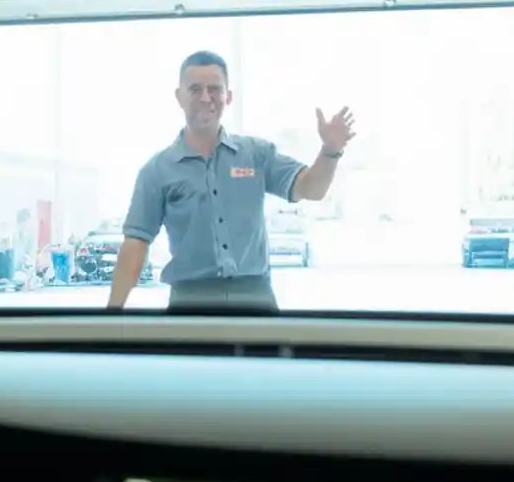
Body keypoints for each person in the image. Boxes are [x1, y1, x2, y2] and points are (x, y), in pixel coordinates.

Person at [106, 51, 356, 311]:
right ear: (179, 97)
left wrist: (330, 151)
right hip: (189, 303)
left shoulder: (256, 154)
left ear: (228, 96)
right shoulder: (156, 171)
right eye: (195, 89)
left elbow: (311, 189)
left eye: (214, 89)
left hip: (255, 298)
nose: (206, 98)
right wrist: (111, 316)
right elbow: (135, 244)